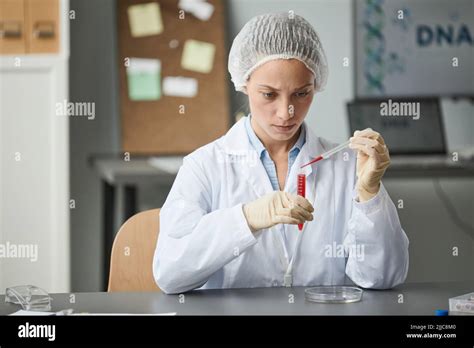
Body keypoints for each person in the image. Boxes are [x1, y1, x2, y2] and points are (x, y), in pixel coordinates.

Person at [153, 13, 409, 294]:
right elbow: (169, 273)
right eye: (269, 94)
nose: (286, 112)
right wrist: (246, 219)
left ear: (316, 86)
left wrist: (369, 193)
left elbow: (383, 277)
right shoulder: (204, 166)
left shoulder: (346, 165)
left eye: (301, 94)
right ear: (244, 83)